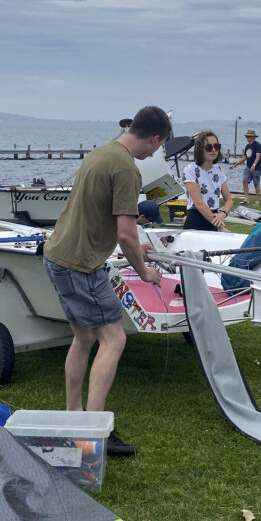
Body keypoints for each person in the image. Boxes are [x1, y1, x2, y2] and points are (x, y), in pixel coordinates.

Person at [43, 106, 171, 456]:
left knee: (83, 337)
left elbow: (98, 215)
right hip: (81, 266)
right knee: (113, 339)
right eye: (157, 149)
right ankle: (93, 431)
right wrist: (144, 270)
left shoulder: (101, 152)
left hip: (57, 256)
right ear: (155, 138)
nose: (153, 155)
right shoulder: (127, 169)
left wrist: (133, 244)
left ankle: (74, 417)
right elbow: (126, 233)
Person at [183, 130, 233, 231]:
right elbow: (199, 203)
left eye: (216, 146)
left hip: (213, 221)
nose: (213, 150)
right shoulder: (190, 170)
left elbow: (229, 200)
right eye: (209, 147)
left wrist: (223, 214)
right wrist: (220, 226)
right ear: (200, 149)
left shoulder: (218, 170)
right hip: (196, 221)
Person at [230, 129, 261, 206]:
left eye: (249, 137)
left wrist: (254, 165)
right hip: (248, 167)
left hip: (256, 168)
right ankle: (246, 199)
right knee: (244, 181)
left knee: (256, 183)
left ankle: (257, 200)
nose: (248, 138)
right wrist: (235, 165)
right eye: (247, 136)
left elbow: (258, 156)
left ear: (253, 137)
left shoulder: (257, 145)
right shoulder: (247, 146)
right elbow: (244, 158)